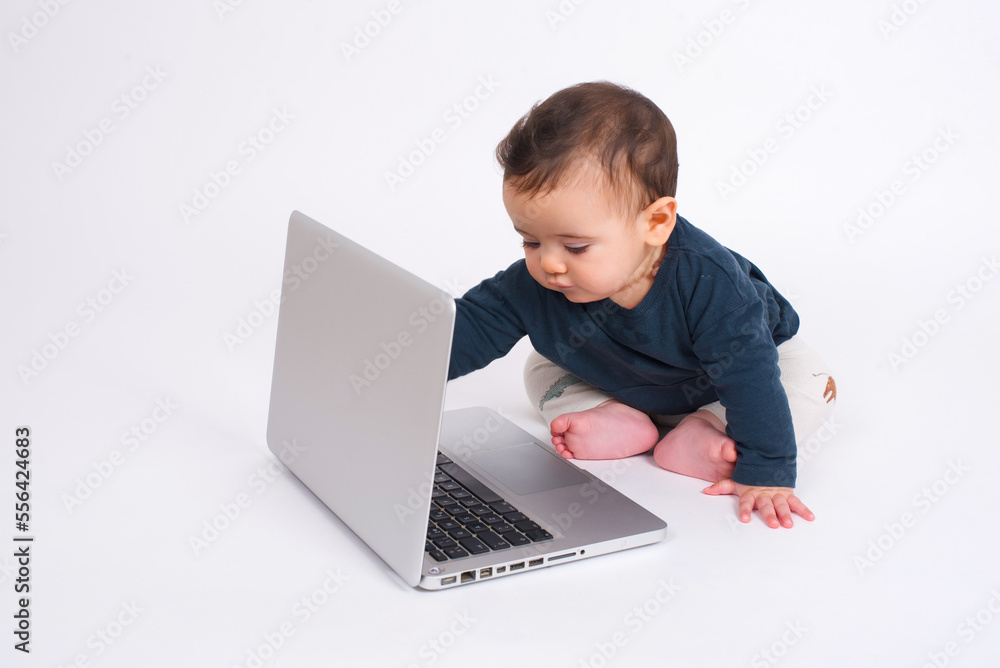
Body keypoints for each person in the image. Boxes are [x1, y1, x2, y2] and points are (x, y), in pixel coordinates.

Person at [447, 81, 836, 528]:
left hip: (723, 382)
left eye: (575, 247)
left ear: (656, 222)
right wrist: (406, 364)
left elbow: (748, 372)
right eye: (531, 241)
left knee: (810, 381)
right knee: (540, 368)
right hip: (619, 378)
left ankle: (707, 427)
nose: (549, 264)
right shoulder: (535, 283)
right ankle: (610, 417)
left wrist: (766, 469)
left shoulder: (710, 282)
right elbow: (472, 328)